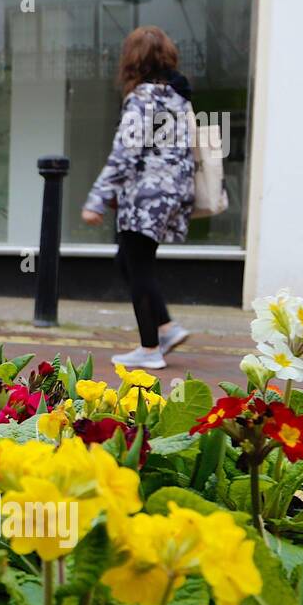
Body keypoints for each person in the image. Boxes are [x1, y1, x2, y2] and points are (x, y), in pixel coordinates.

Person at [81, 26, 196, 370]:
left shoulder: (143, 98)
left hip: (146, 195)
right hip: (170, 192)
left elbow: (125, 152)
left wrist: (97, 199)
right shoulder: (178, 97)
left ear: (132, 60)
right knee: (128, 260)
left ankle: (150, 349)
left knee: (139, 267)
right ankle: (166, 328)